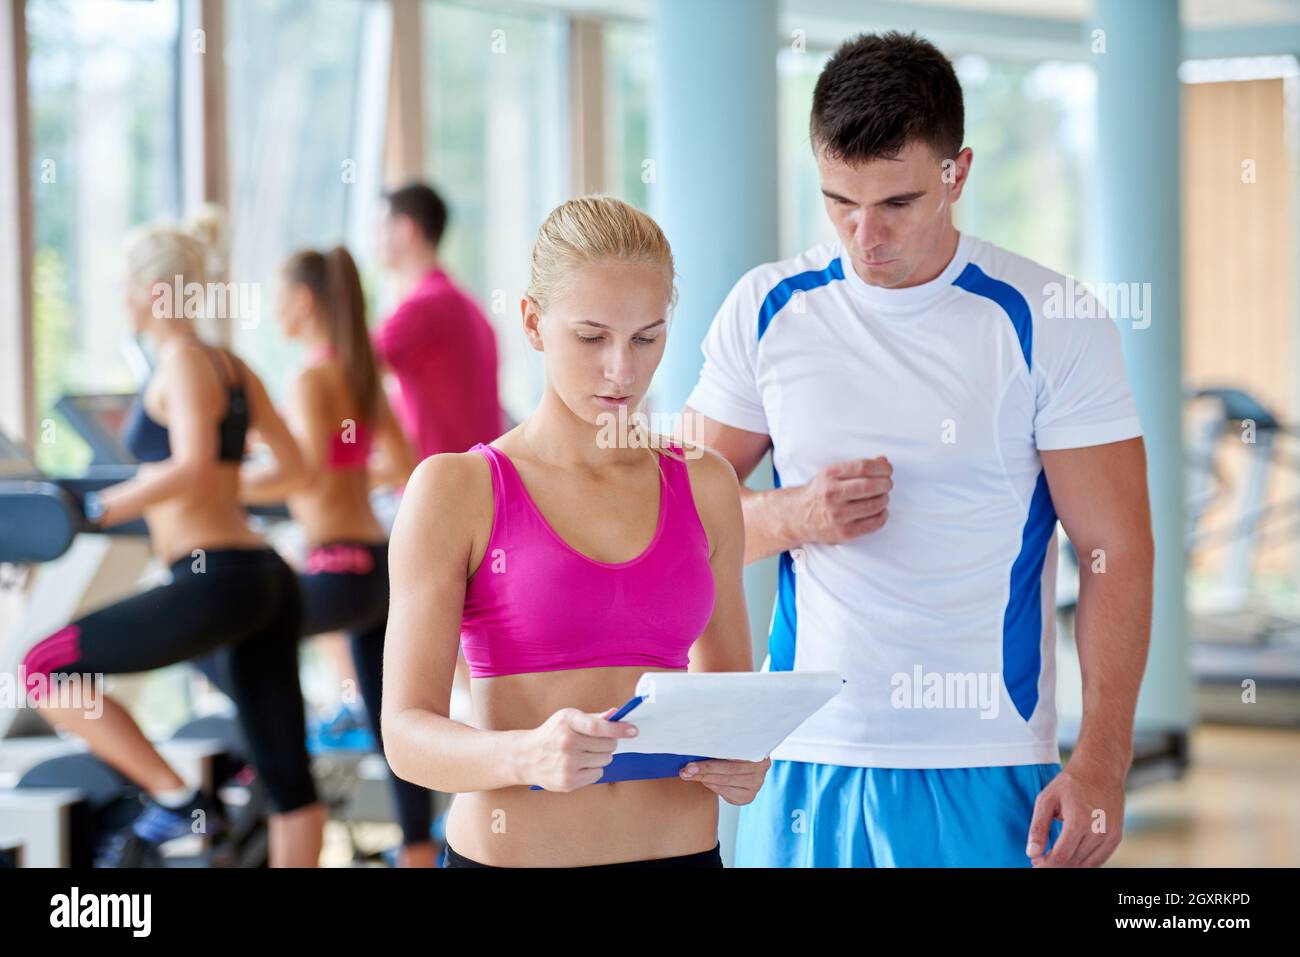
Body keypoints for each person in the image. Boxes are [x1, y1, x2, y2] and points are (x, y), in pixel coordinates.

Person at [683, 32, 1153, 868]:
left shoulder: (1051, 316)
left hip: (985, 757)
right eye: (838, 201)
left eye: (896, 203)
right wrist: (794, 515)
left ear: (956, 173)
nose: (865, 236)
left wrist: (1104, 760)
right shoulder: (766, 308)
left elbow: (1116, 550)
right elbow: (672, 525)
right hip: (803, 758)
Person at [381, 195, 766, 868]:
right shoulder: (456, 491)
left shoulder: (704, 485)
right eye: (592, 337)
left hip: (682, 856)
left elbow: (725, 705)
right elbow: (406, 734)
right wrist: (523, 752)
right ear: (533, 322)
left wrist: (744, 762)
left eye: (646, 336)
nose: (623, 370)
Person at [21, 221, 326, 867]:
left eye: (127, 286)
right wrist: (220, 484)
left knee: (43, 667)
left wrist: (100, 507)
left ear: (156, 293)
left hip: (217, 579)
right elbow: (298, 468)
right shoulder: (231, 364)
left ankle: (173, 795)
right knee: (287, 775)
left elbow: (188, 464)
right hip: (262, 576)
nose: (121, 298)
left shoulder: (183, 362)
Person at [256, 245, 435, 866]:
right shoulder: (356, 373)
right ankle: (416, 852)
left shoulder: (308, 376)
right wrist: (346, 465)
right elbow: (406, 463)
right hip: (378, 566)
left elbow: (297, 474)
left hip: (337, 565)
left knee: (240, 640)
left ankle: (278, 770)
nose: (274, 307)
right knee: (397, 726)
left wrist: (220, 482)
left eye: (278, 294)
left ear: (303, 300)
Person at [372, 182, 503, 461]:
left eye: (381, 228)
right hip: (474, 481)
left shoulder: (423, 308)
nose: (375, 240)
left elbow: (347, 369)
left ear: (406, 231)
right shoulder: (467, 306)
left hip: (441, 490)